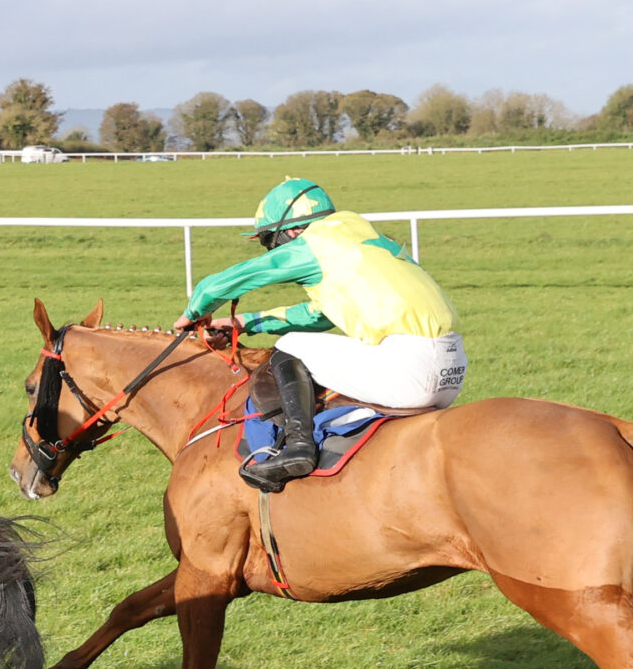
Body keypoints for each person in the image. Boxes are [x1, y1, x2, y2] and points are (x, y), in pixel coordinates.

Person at [172, 178, 467, 491]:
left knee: (289, 346)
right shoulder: (355, 235)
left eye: (271, 241)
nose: (273, 250)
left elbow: (224, 282)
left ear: (294, 231)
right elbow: (318, 316)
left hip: (409, 369)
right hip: (452, 371)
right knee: (304, 342)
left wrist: (192, 313)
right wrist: (246, 322)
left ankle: (299, 447)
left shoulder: (317, 242)